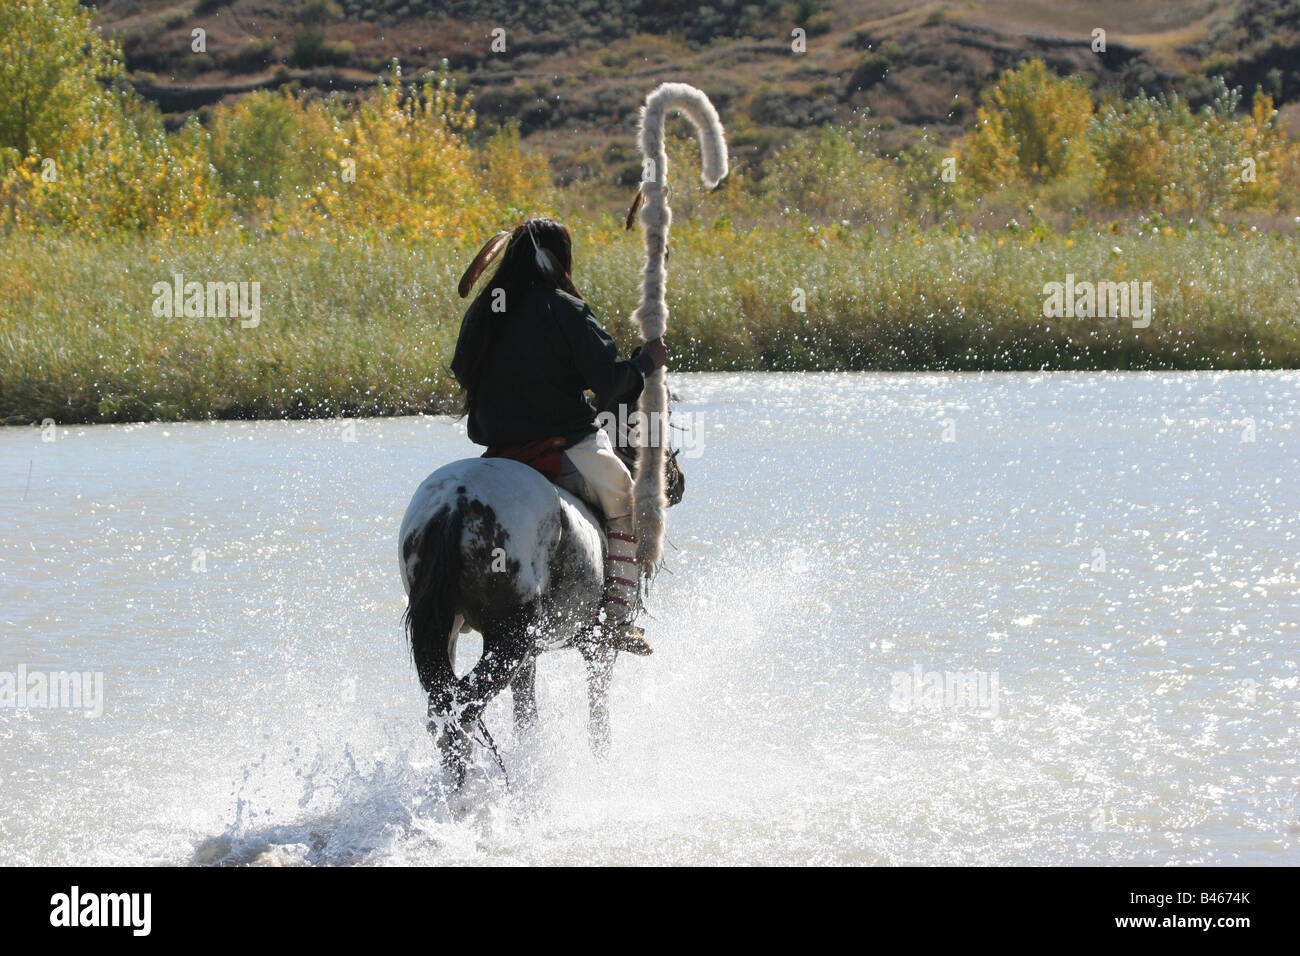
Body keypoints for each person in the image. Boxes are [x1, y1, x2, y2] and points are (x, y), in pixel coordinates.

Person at [450, 217, 667, 651]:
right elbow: (609, 383)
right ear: (560, 258)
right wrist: (646, 363)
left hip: (499, 454)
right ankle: (616, 616)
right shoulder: (563, 307)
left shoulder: (486, 309)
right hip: (562, 445)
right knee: (626, 499)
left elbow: (461, 369)